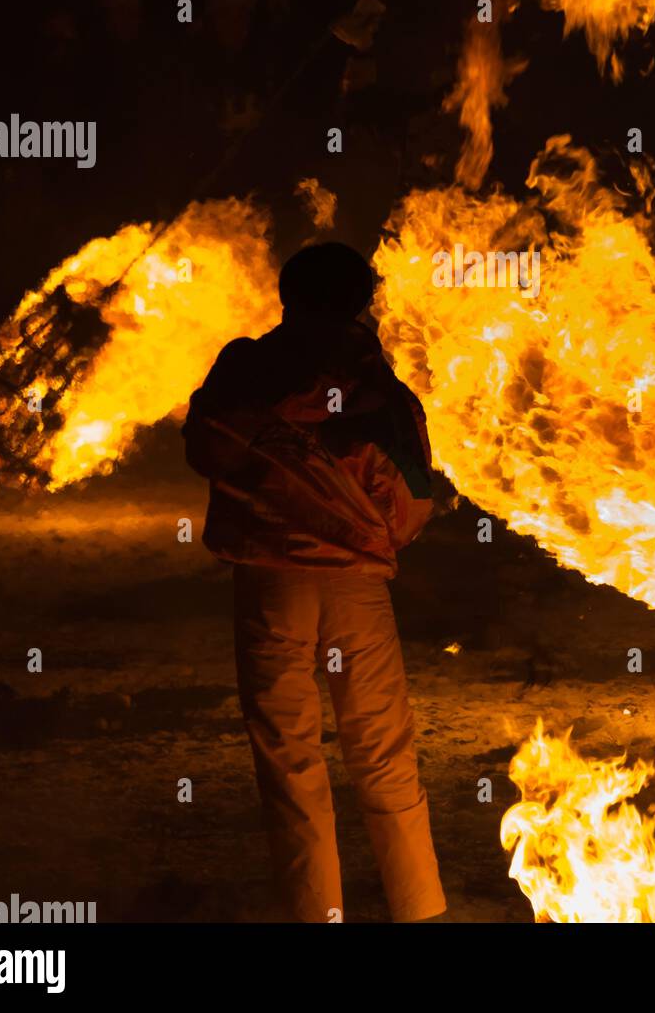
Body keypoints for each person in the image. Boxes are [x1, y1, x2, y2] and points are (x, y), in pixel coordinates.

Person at [183, 242, 446, 922]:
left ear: (287, 298)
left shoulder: (243, 368)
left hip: (269, 584)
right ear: (362, 304)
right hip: (357, 587)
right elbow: (414, 501)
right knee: (385, 756)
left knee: (290, 763)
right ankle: (419, 910)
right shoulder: (382, 393)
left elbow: (205, 449)